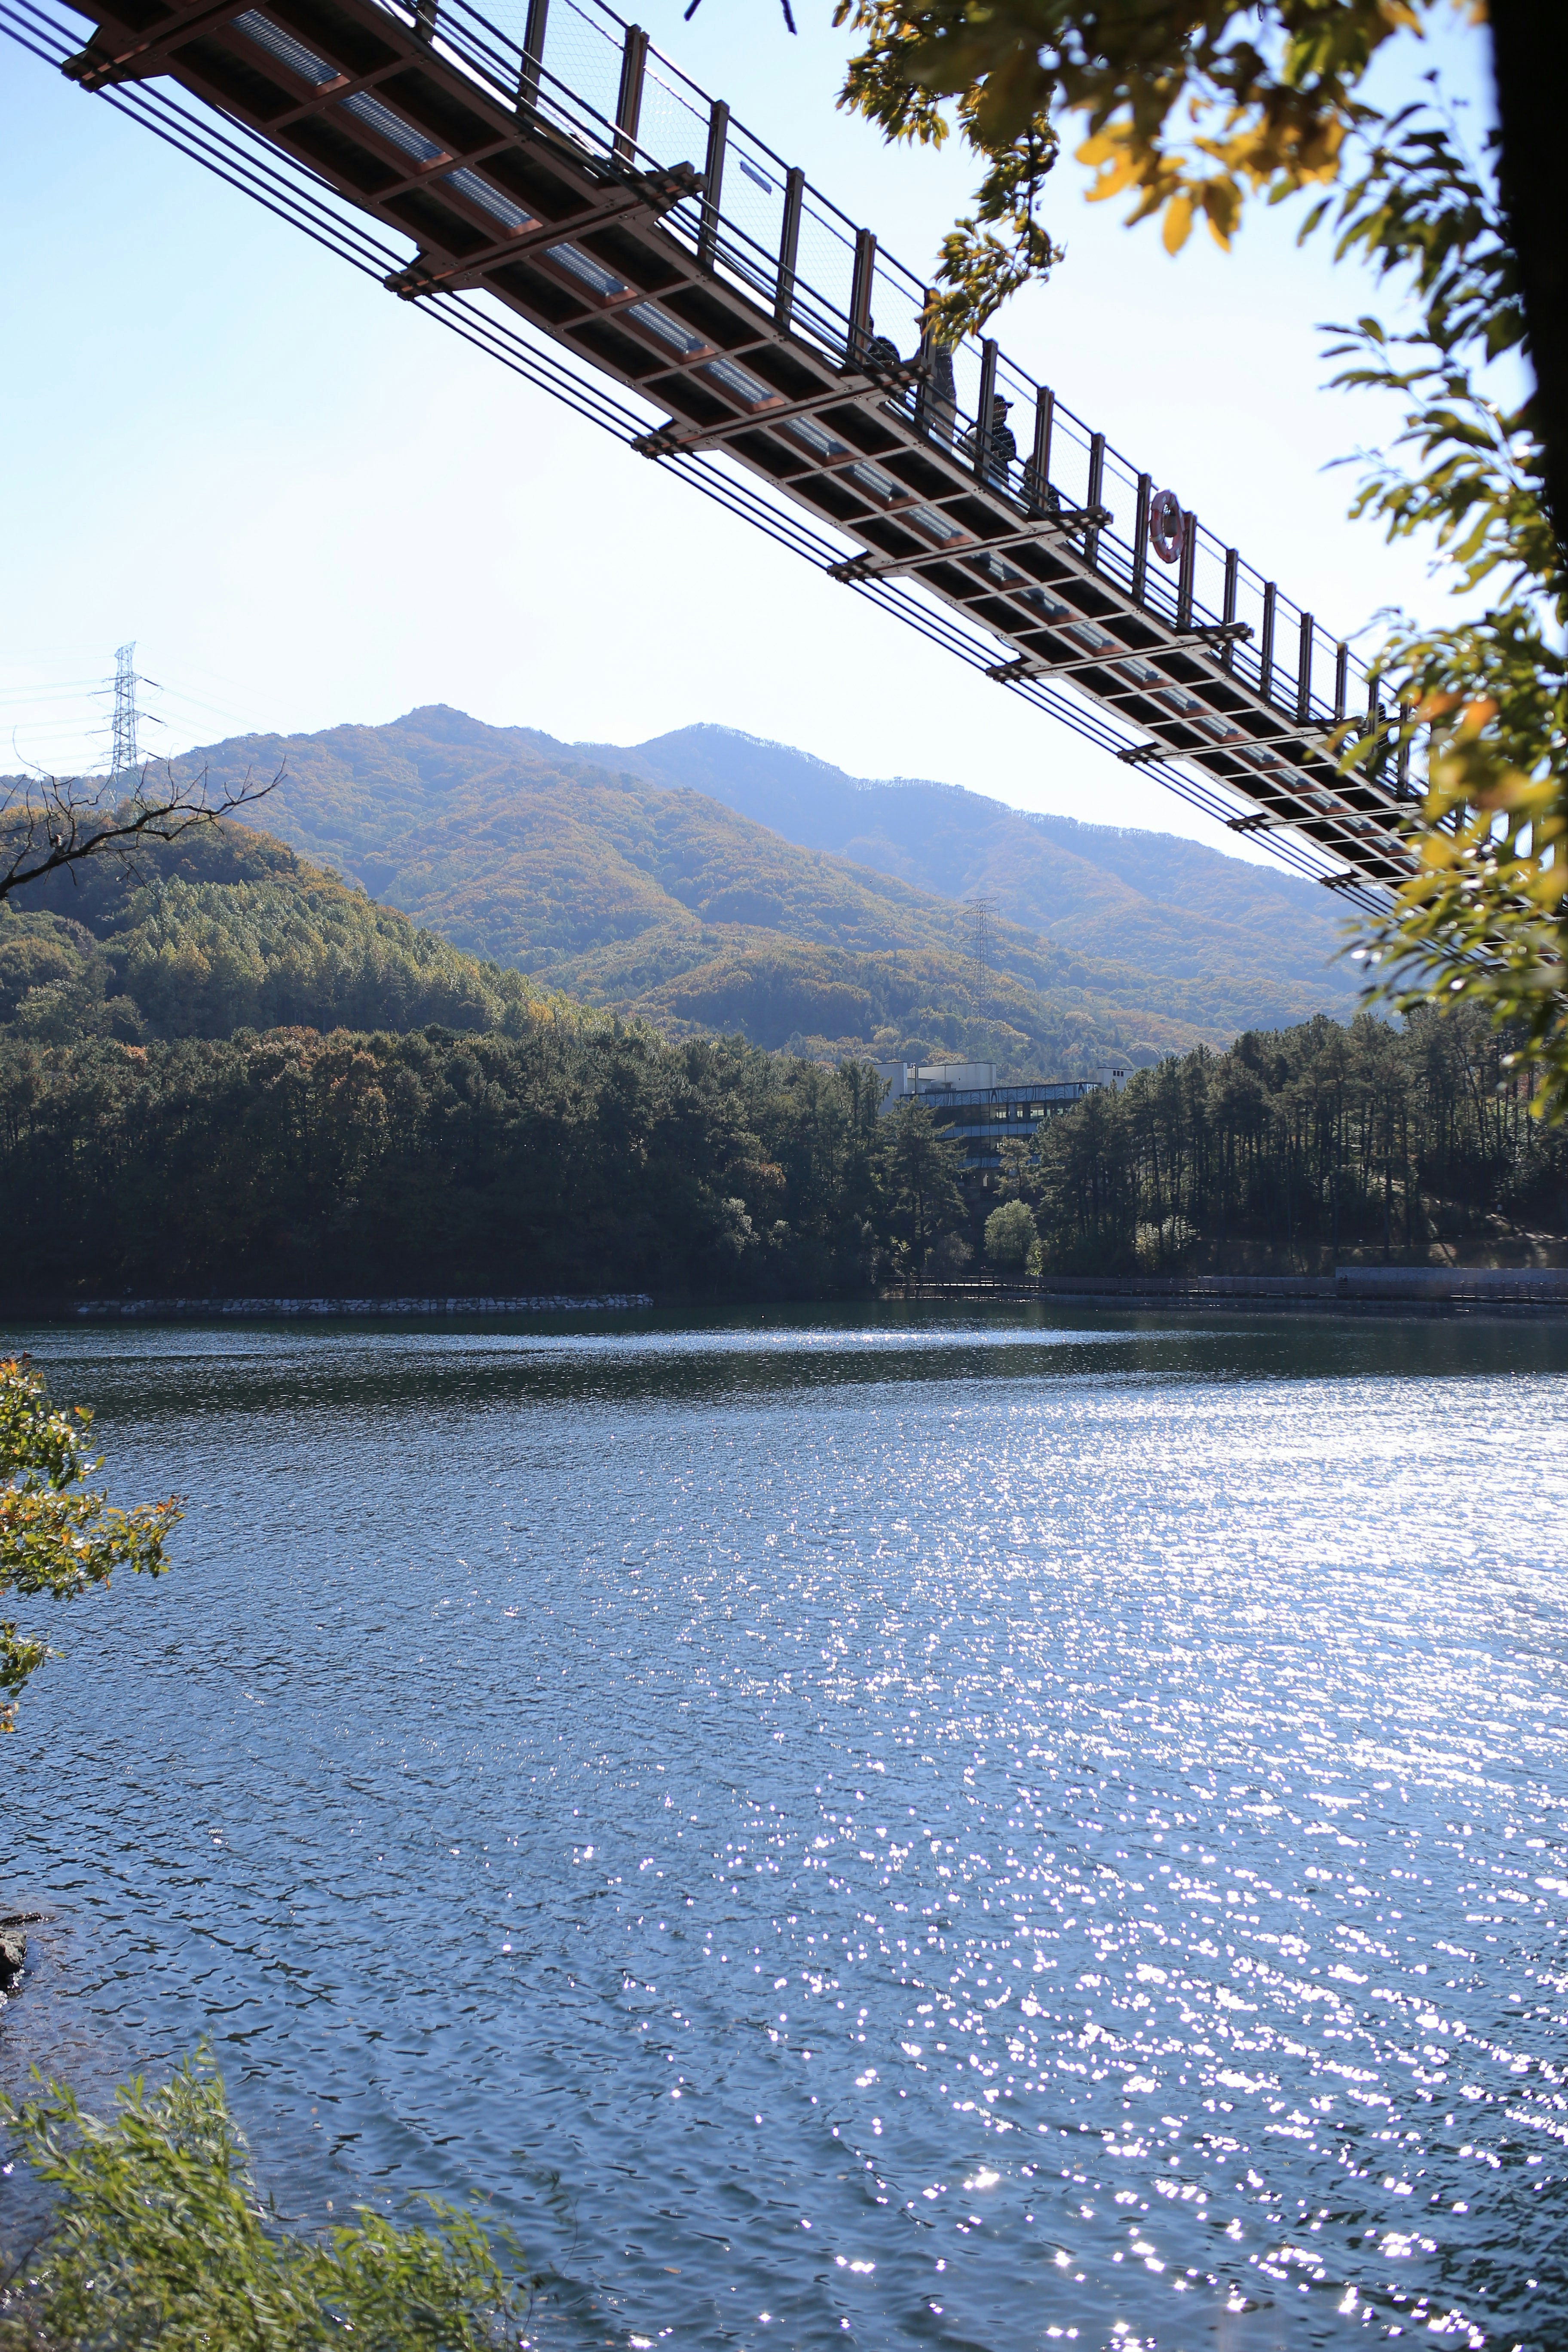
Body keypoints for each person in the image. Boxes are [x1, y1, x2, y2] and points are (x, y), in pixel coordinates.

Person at [960, 393, 1016, 489]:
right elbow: (963, 442)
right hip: (976, 468)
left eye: (1006, 407)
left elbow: (1012, 454)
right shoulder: (980, 424)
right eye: (1001, 406)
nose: (1005, 410)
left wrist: (998, 454)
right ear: (993, 407)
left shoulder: (1007, 433)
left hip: (998, 474)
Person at [917, 340, 956, 444]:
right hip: (927, 398)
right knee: (918, 435)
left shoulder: (944, 343)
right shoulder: (922, 350)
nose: (922, 329)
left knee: (945, 440)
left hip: (944, 397)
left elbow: (940, 347)